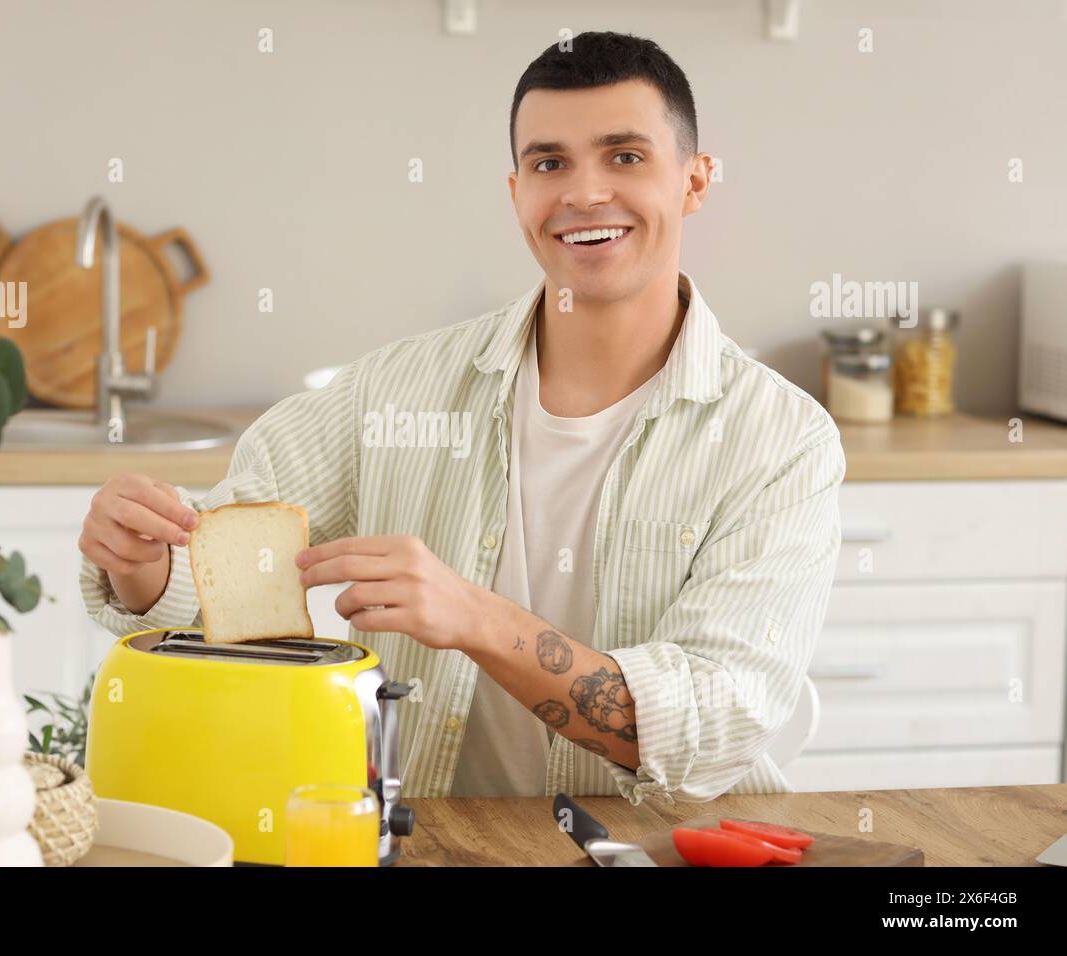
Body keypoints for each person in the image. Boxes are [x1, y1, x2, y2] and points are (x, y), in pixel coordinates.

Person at [79, 31, 844, 805]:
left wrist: (477, 617)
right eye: (550, 163)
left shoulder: (782, 442)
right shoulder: (393, 391)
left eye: (625, 156)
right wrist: (142, 560)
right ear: (516, 192)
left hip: (660, 850)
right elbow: (226, 577)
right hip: (424, 841)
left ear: (695, 181)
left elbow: (711, 726)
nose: (583, 193)